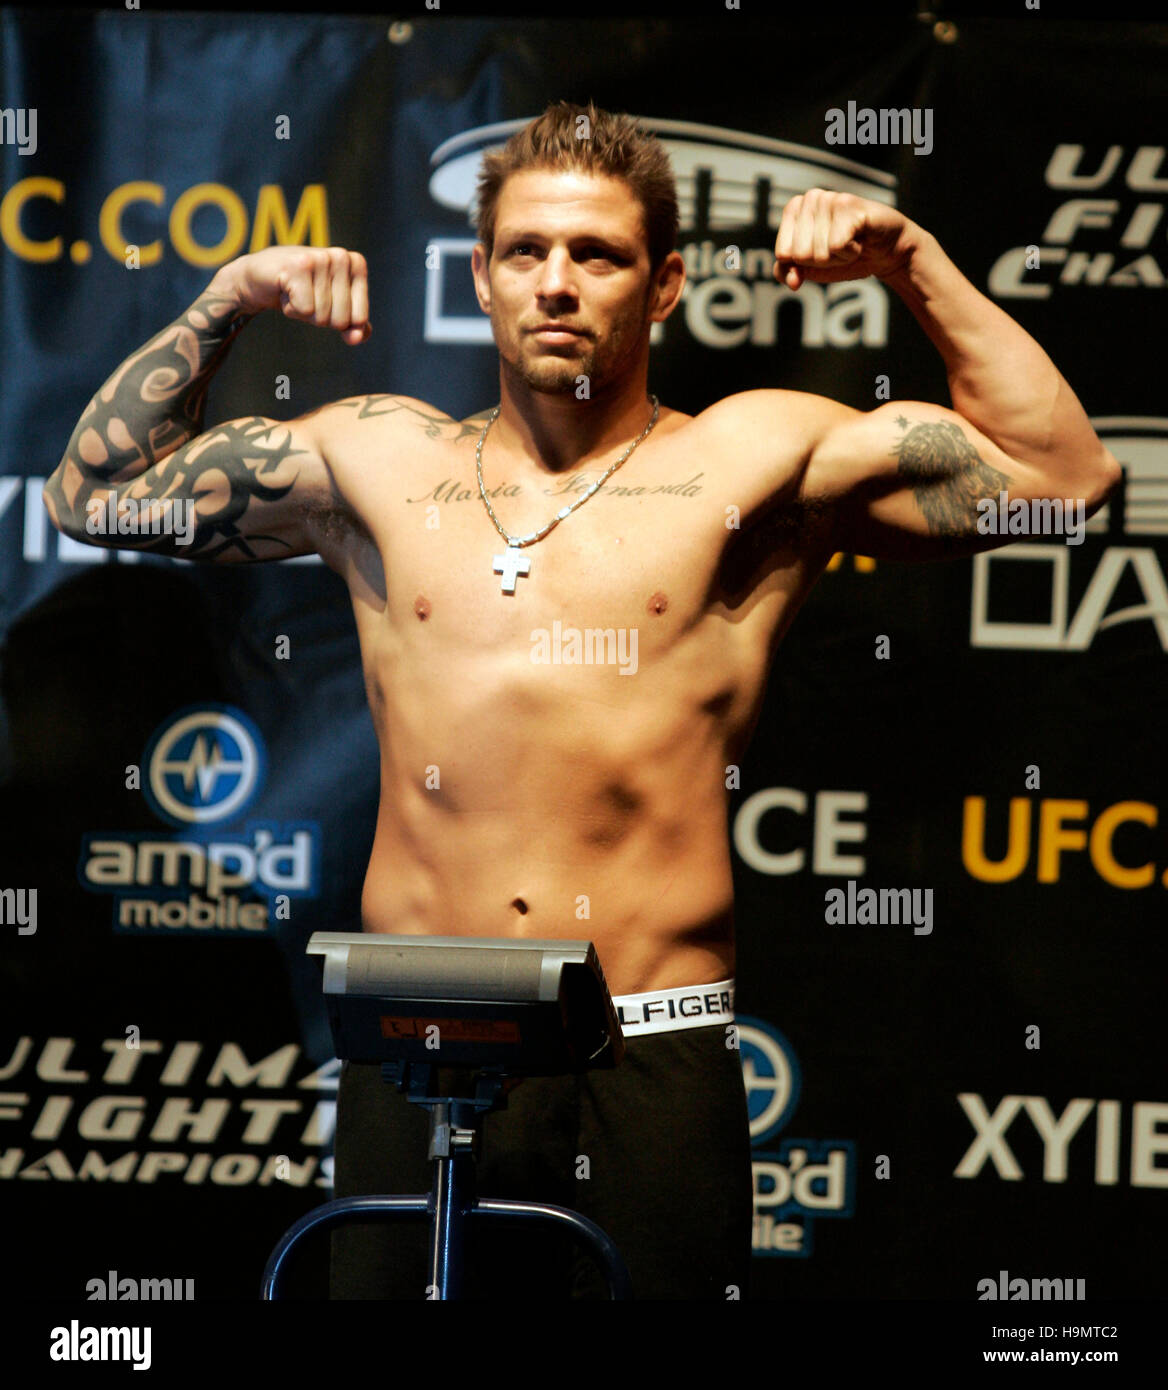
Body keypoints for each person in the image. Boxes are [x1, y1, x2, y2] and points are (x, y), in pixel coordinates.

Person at [43, 100, 1119, 1299]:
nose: (557, 283)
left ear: (661, 287)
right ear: (482, 278)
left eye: (597, 255)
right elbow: (95, 494)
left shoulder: (751, 463)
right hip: (420, 1041)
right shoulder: (378, 465)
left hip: (647, 1045)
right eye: (526, 253)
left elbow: (1062, 479)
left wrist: (912, 263)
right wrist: (227, 299)